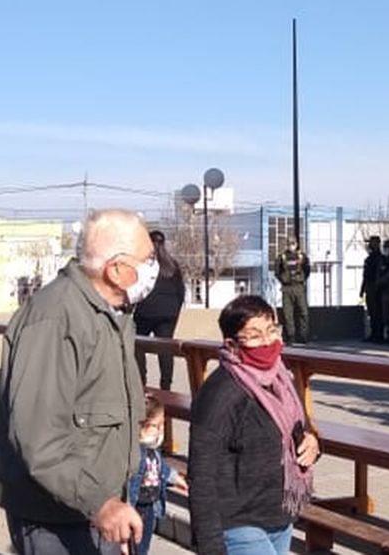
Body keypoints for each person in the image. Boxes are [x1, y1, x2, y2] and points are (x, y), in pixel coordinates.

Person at [0, 209, 157, 555]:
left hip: (97, 510)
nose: (153, 268)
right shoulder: (56, 317)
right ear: (116, 269)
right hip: (59, 518)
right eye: (147, 260)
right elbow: (38, 436)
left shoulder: (112, 316)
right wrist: (101, 503)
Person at [189, 295, 320, 555]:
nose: (268, 341)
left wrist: (314, 443)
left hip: (279, 515)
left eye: (272, 330)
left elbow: (300, 429)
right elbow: (201, 474)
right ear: (231, 343)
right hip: (237, 521)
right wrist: (211, 547)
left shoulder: (281, 379)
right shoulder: (221, 393)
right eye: (255, 335)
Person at [129, 394, 188, 555]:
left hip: (150, 506)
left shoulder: (153, 451)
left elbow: (162, 469)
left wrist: (176, 479)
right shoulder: (134, 453)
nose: (161, 431)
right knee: (133, 545)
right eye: (156, 426)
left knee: (144, 543)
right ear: (141, 427)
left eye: (163, 425)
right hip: (135, 507)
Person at [134, 230, 186, 391]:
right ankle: (166, 386)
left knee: (136, 343)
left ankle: (141, 381)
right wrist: (175, 311)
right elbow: (181, 290)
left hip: (146, 311)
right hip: (169, 312)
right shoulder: (172, 264)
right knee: (166, 348)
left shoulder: (143, 263)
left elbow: (137, 288)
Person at [275, 237, 310, 344]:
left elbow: (307, 270)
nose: (291, 246)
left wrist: (302, 279)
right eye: (290, 244)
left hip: (299, 286)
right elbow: (277, 272)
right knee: (287, 314)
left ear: (296, 244)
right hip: (287, 288)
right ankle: (291, 336)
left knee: (303, 312)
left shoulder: (302, 256)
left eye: (293, 243)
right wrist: (283, 280)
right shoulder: (281, 257)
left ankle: (303, 336)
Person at [360, 236, 384, 343]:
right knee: (372, 313)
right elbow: (365, 276)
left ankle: (379, 334)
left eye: (372, 243)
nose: (370, 245)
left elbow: (380, 275)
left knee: (378, 312)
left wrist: (378, 287)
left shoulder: (381, 259)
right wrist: (362, 289)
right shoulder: (369, 259)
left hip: (377, 288)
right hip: (369, 287)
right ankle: (374, 333)